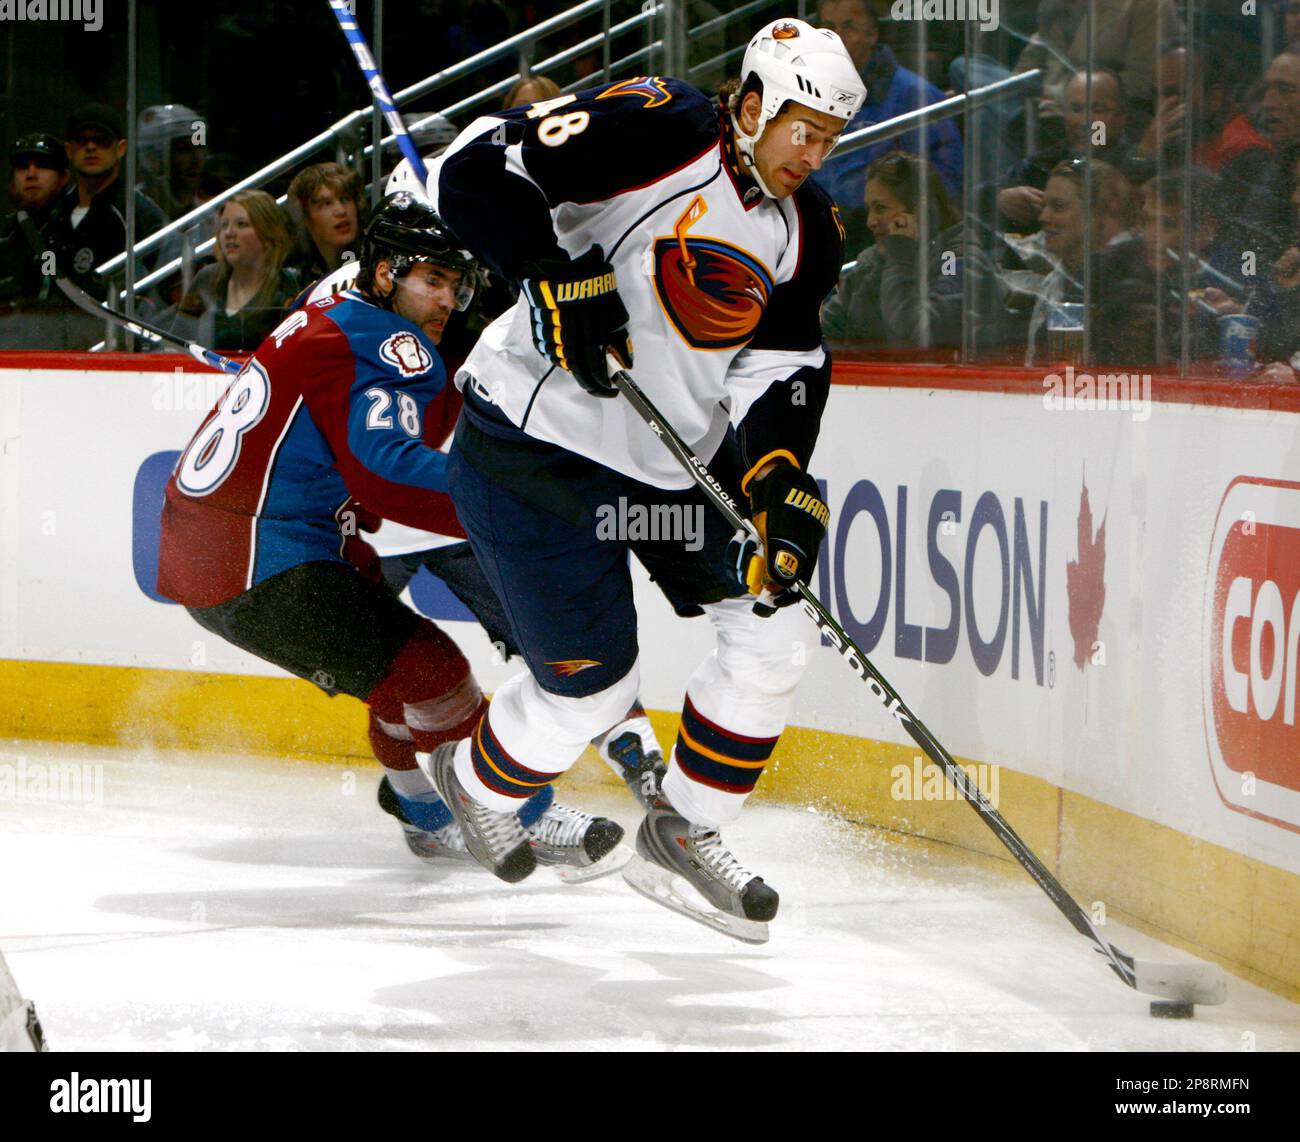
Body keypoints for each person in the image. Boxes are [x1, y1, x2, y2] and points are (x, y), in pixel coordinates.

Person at [427, 17, 865, 941]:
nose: (812, 152)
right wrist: (549, 270)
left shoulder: (806, 231)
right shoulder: (660, 125)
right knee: (585, 694)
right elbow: (470, 170)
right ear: (749, 103)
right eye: (801, 127)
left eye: (828, 138)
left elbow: (782, 371)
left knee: (772, 629)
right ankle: (471, 783)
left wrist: (782, 484)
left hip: (663, 476)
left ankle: (685, 826)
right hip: (531, 452)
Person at [156, 193, 624, 877]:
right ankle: (524, 811)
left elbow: (383, 446)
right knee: (433, 671)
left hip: (226, 549)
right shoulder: (388, 341)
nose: (447, 301)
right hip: (259, 555)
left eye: (456, 284)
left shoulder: (330, 317)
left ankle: (427, 813)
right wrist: (510, 509)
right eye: (431, 280)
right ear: (384, 275)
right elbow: (385, 470)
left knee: (395, 674)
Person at [813, 0, 962, 255]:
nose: (836, 38)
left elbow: (947, 181)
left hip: (873, 234)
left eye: (848, 27)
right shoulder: (807, 95)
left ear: (872, 34)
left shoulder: (916, 95)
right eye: (828, 27)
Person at [822, 152, 1005, 350]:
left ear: (920, 210)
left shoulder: (952, 257)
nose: (871, 222)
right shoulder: (874, 260)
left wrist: (900, 254)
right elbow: (828, 329)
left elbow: (923, 329)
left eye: (881, 208)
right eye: (869, 209)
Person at [1019, 158, 1141, 364]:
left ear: (1104, 211)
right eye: (1044, 205)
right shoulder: (1056, 279)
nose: (1043, 217)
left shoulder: (1133, 280)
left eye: (1058, 206)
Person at [52, 103, 167, 302]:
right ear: (69, 150)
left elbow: (165, 284)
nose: (91, 147)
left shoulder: (139, 212)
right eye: (82, 140)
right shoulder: (55, 213)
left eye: (102, 140)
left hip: (115, 328)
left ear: (121, 148)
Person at [161, 190, 302, 351]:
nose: (228, 233)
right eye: (224, 225)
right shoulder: (207, 278)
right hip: (207, 375)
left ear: (268, 234)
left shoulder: (289, 285)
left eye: (241, 224)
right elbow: (175, 347)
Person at [285, 162, 363, 281]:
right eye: (326, 204)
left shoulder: (380, 265)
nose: (341, 211)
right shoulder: (295, 282)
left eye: (345, 199)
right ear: (304, 216)